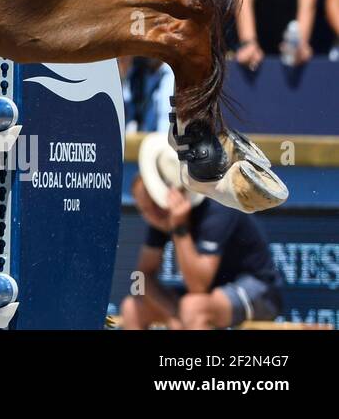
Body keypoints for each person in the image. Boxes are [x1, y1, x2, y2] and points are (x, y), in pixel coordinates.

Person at [120, 133, 282, 329]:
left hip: (261, 291)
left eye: (151, 208)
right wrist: (171, 313)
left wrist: (179, 227)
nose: (149, 217)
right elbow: (143, 278)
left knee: (193, 308)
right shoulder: (160, 213)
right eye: (142, 210)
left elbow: (198, 285)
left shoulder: (218, 206)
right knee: (132, 307)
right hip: (209, 296)